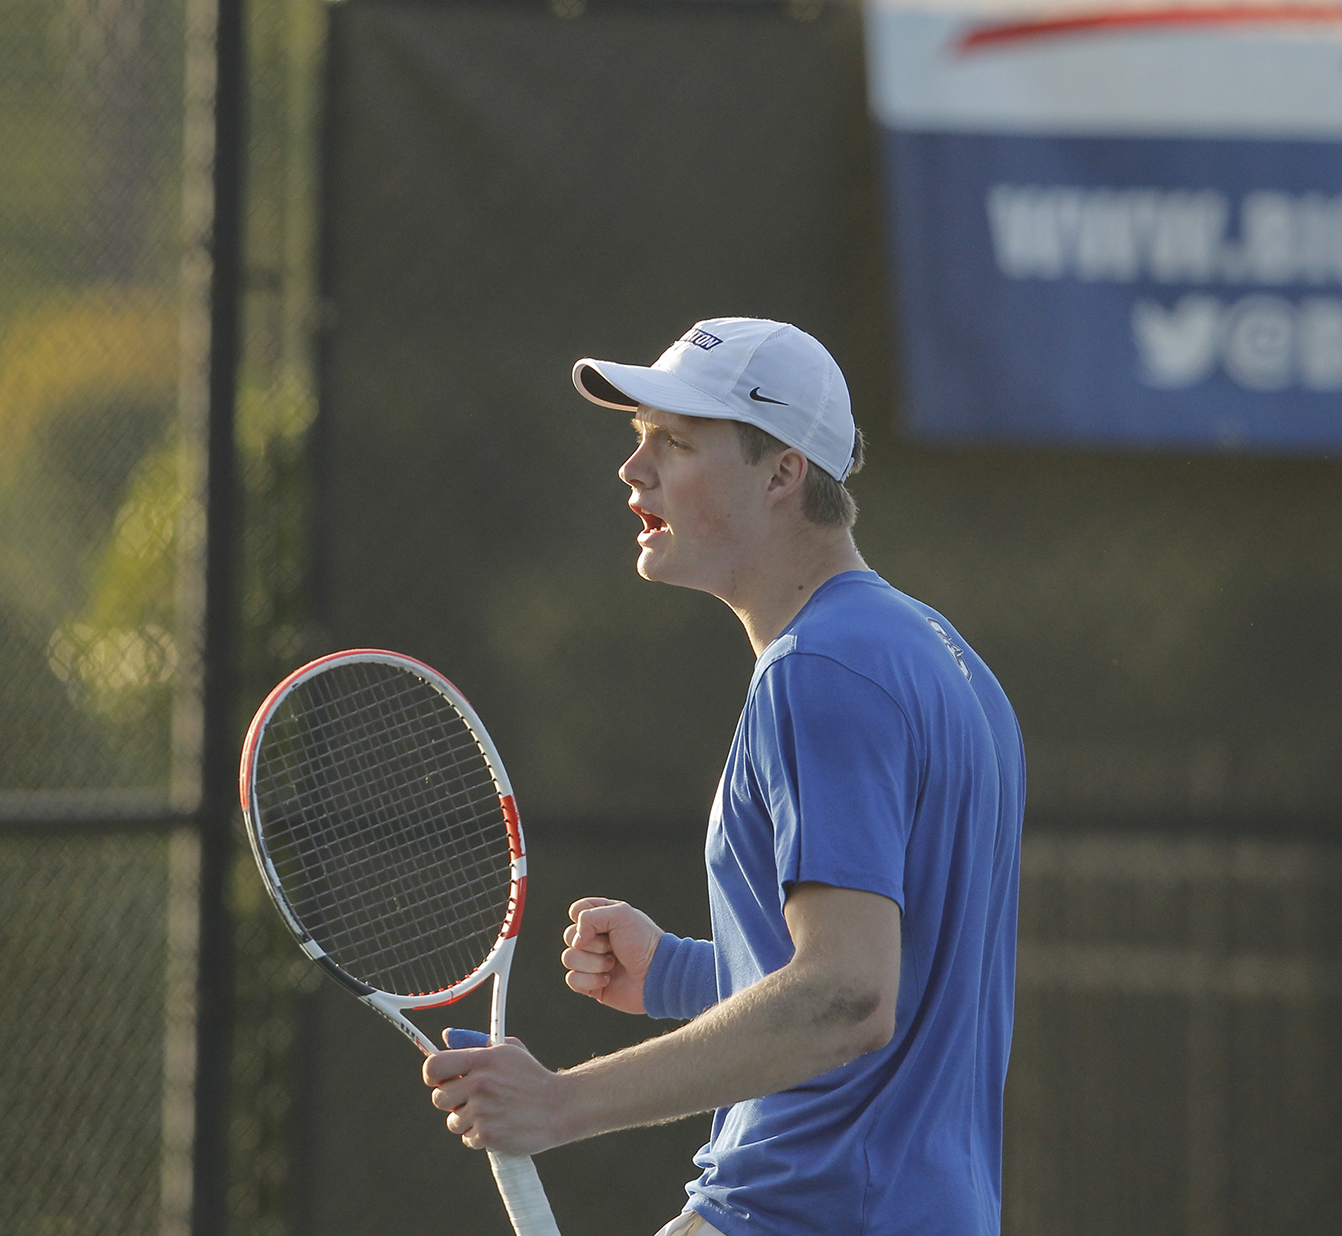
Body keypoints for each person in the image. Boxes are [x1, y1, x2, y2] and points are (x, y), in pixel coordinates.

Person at [421, 317, 1025, 1236]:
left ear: (782, 472)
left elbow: (849, 996)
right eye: (638, 438)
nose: (635, 469)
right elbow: (891, 981)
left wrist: (556, 1103)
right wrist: (672, 973)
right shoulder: (945, 660)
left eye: (676, 440)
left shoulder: (819, 668)